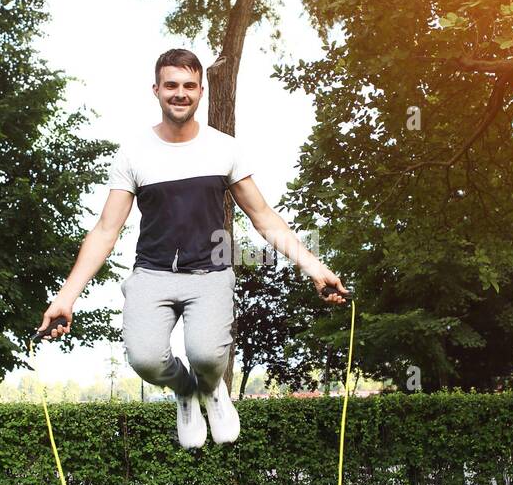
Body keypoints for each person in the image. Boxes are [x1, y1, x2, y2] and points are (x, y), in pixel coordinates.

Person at [38, 48, 348, 448]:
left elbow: (263, 216)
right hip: (152, 273)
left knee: (206, 355)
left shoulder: (224, 149)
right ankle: (186, 391)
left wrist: (314, 267)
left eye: (188, 86)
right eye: (171, 85)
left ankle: (212, 386)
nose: (179, 93)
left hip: (210, 273)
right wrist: (67, 297)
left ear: (201, 91)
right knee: (146, 359)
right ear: (156, 90)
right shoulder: (134, 152)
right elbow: (104, 230)